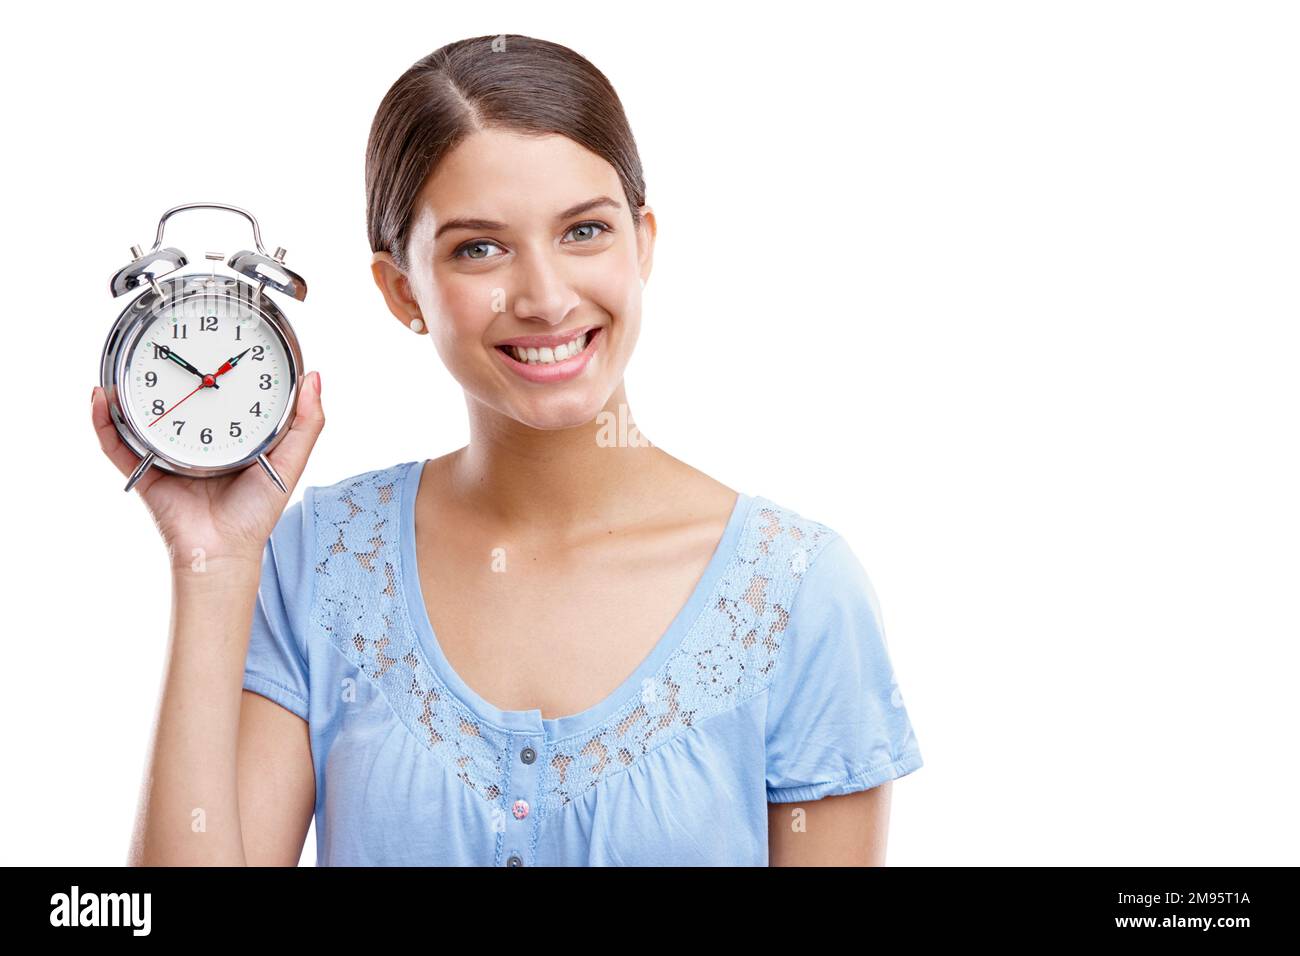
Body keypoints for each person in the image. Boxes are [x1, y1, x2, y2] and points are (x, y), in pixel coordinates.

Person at [91, 33, 923, 867]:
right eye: (478, 248)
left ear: (644, 244)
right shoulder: (319, 561)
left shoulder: (798, 593)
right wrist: (214, 561)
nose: (546, 297)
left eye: (585, 231)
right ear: (401, 290)